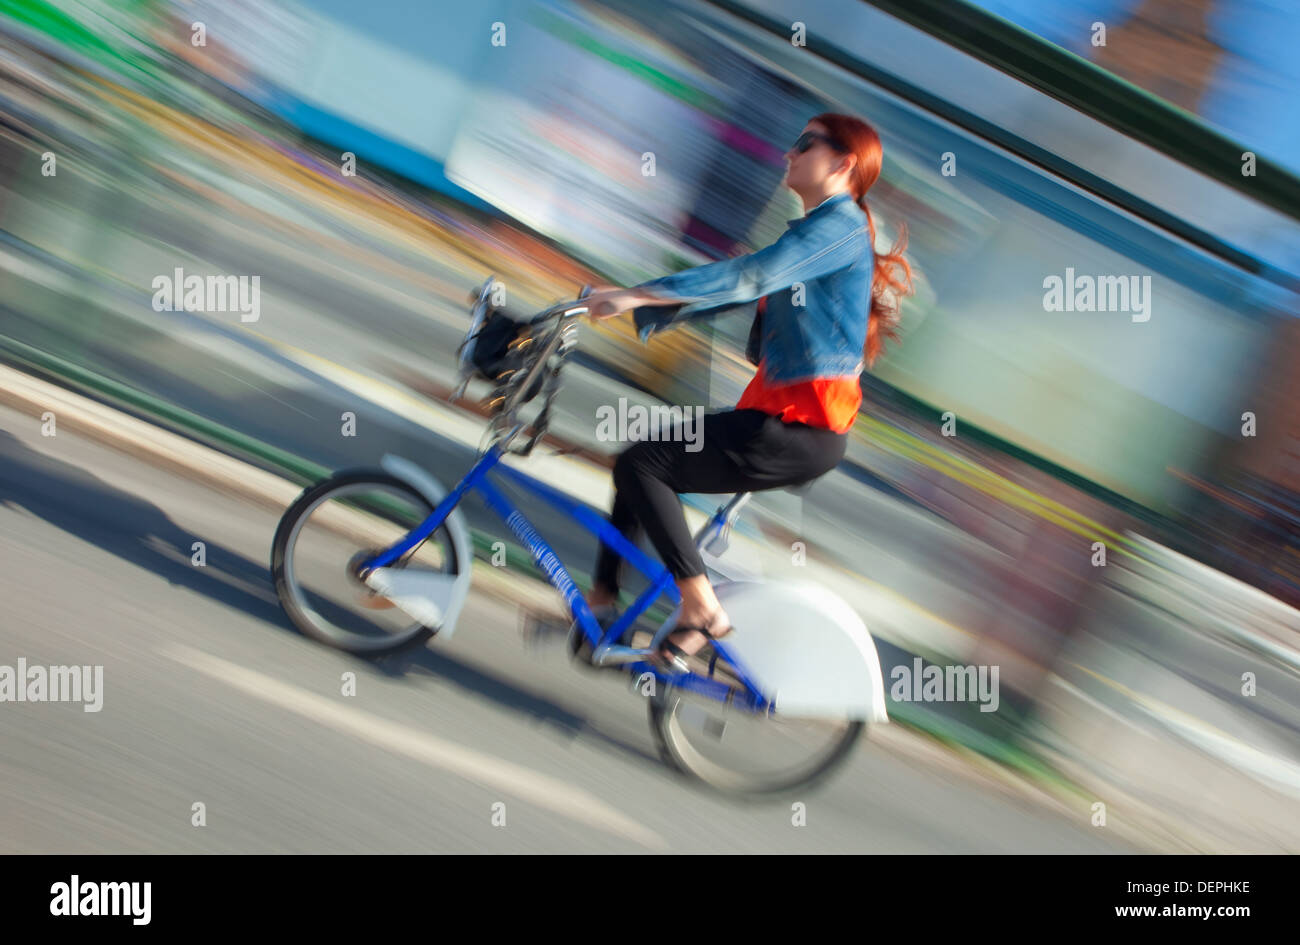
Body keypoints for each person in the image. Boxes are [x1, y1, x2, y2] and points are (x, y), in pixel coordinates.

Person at [581, 113, 914, 672]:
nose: (789, 153)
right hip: (783, 424)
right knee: (638, 468)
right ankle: (601, 607)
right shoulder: (821, 232)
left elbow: (750, 277)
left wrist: (639, 295)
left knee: (643, 464)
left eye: (804, 143)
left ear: (843, 162)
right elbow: (739, 289)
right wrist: (639, 305)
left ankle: (700, 609)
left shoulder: (839, 228)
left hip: (795, 430)